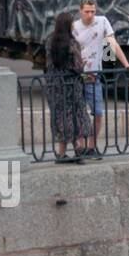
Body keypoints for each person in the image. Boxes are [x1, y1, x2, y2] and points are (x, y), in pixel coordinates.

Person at [73, 0, 129, 159]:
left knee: (98, 113)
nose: (90, 15)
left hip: (93, 76)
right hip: (76, 76)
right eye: (87, 11)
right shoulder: (74, 27)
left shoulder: (102, 21)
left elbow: (112, 44)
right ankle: (79, 147)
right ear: (80, 11)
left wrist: (126, 63)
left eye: (93, 11)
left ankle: (91, 146)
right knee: (78, 112)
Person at [45, 13, 94, 163]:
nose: (74, 25)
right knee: (75, 117)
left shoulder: (49, 41)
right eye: (72, 23)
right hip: (72, 86)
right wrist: (84, 62)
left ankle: (61, 154)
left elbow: (48, 65)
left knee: (61, 118)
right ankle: (78, 152)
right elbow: (77, 67)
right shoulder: (72, 44)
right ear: (68, 25)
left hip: (55, 86)